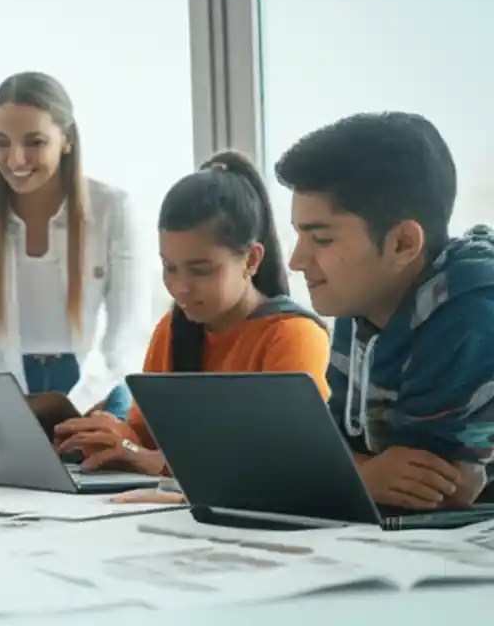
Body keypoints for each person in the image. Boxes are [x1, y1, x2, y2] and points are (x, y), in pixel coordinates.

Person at [55, 151, 330, 476]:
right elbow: (144, 436)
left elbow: (283, 461)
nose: (180, 287)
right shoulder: (172, 329)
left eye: (201, 270)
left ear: (251, 260)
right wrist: (109, 437)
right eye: (169, 268)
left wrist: (148, 458)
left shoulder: (292, 335)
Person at [276, 112, 494, 509]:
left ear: (402, 244)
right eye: (298, 235)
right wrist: (358, 472)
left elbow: (435, 489)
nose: (296, 260)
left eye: (321, 239)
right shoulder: (361, 306)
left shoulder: (472, 318)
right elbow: (339, 445)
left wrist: (351, 471)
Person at [0, 72, 146, 418]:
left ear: (66, 140)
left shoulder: (114, 209)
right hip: (5, 394)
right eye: (2, 142)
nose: (15, 160)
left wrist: (75, 404)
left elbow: (124, 339)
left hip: (98, 392)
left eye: (34, 142)